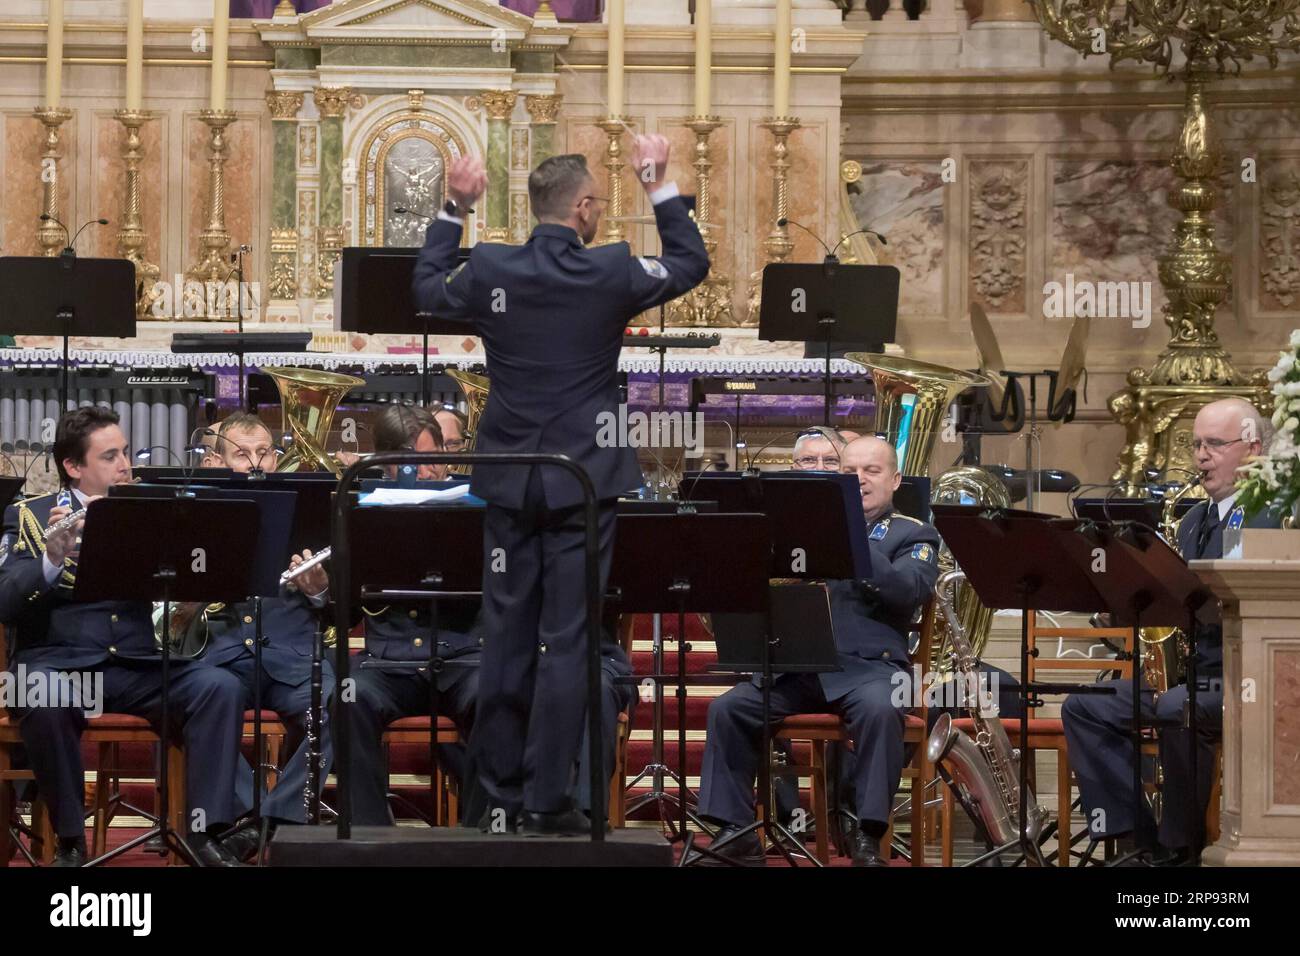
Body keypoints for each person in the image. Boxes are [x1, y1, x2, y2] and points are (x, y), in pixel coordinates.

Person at [412, 138, 708, 834]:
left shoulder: (490, 266)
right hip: (583, 480)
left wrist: (456, 206)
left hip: (511, 479)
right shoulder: (608, 270)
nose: (600, 214)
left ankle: (496, 801)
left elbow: (425, 288)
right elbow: (691, 263)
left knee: (507, 637)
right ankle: (550, 800)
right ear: (581, 208)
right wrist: (658, 186)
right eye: (599, 202)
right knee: (571, 640)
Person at [0, 407, 247, 866]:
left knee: (220, 686)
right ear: (73, 467)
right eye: (110, 456)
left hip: (136, 666)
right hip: (60, 666)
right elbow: (5, 599)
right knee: (45, 693)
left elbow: (187, 582)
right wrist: (52, 560)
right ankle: (71, 839)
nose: (125, 465)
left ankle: (206, 830)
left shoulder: (151, 512)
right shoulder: (30, 516)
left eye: (126, 452)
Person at [695, 436, 941, 865]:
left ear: (896, 480)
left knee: (882, 709)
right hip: (798, 665)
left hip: (871, 669)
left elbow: (908, 590)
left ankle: (867, 832)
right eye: (850, 473)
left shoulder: (913, 533)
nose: (860, 480)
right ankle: (736, 830)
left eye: (872, 471)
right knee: (729, 709)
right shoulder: (804, 531)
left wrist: (849, 538)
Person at [1062, 397, 1280, 864]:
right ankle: (1137, 837)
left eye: (1215, 444)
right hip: (1186, 675)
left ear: (1253, 449)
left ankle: (1181, 849)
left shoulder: (1275, 515)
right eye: (1196, 444)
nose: (1201, 455)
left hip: (1247, 677)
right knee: (1087, 707)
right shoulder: (1194, 518)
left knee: (1180, 708)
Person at [195, 412, 333, 861]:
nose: (257, 463)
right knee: (185, 699)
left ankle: (280, 821)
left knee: (339, 700)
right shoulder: (192, 505)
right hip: (222, 654)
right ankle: (253, 812)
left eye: (266, 452)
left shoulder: (311, 506)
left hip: (293, 654)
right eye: (242, 454)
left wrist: (320, 591)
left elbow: (346, 609)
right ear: (215, 461)